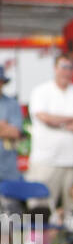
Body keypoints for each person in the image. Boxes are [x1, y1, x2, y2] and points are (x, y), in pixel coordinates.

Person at [27, 55, 73, 211]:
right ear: (55, 68)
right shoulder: (40, 91)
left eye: (70, 67)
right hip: (46, 161)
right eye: (63, 66)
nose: (66, 71)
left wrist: (58, 122)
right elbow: (45, 118)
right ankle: (35, 237)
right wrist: (72, 119)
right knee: (39, 209)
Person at [0, 65, 24, 198]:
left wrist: (9, 129)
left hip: (7, 168)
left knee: (10, 213)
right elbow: (10, 130)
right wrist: (4, 125)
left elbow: (15, 132)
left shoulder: (12, 104)